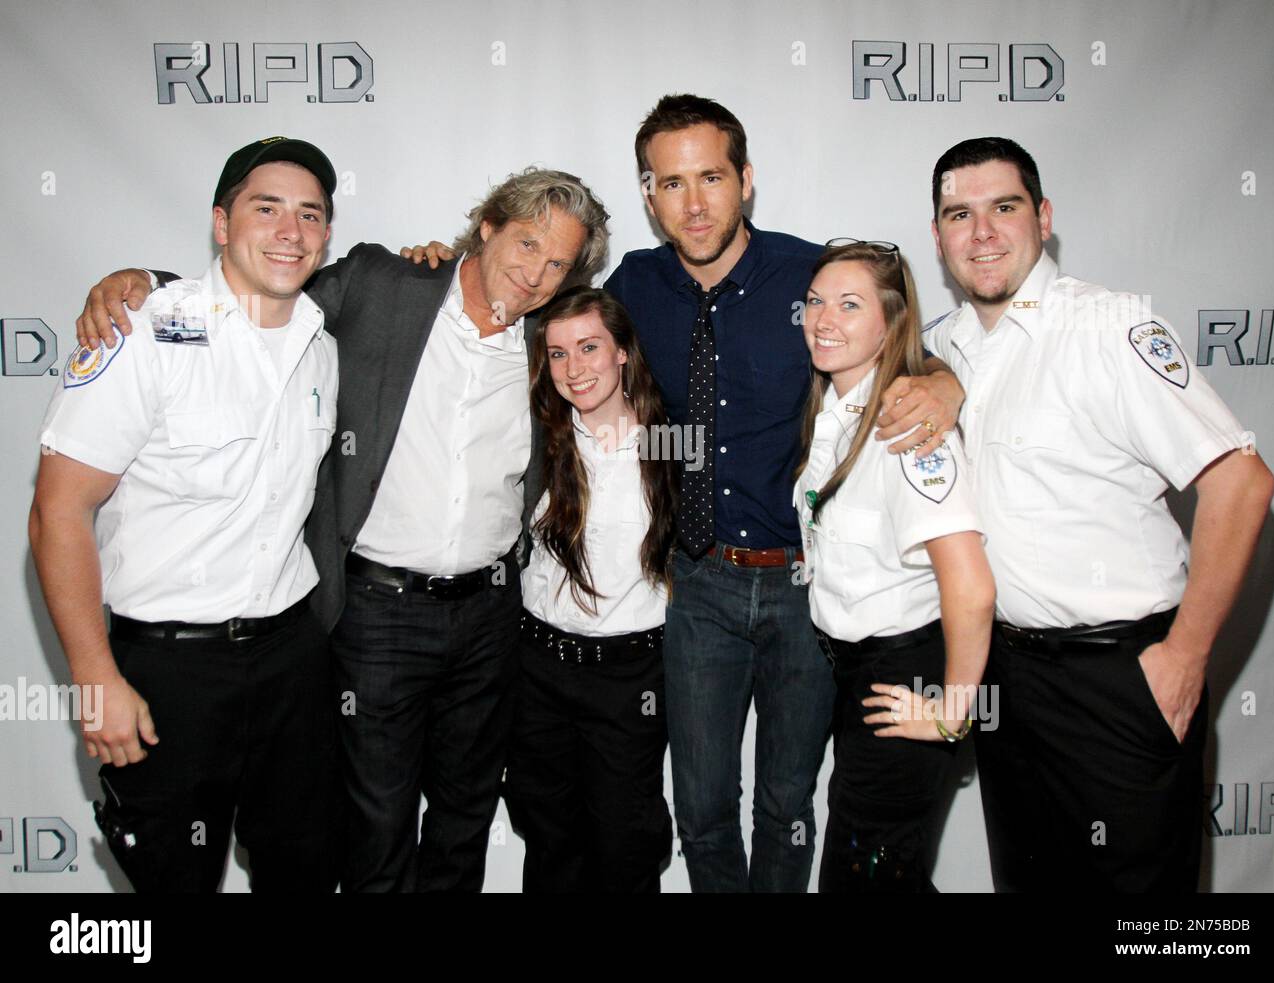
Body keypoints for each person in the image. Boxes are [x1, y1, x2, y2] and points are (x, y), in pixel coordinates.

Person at [74, 168, 611, 893]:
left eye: (557, 263)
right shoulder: (385, 285)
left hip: (490, 617)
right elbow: (254, 299)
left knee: (464, 815)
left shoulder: (553, 342)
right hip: (378, 612)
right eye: (525, 244)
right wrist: (142, 281)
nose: (535, 272)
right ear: (486, 228)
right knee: (375, 823)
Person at [603, 95, 966, 892]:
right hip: (697, 582)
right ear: (647, 193)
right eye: (671, 183)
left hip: (808, 586)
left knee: (786, 801)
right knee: (699, 805)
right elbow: (557, 344)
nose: (693, 203)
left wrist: (944, 385)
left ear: (747, 180)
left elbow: (908, 341)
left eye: (710, 177)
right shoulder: (633, 282)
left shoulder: (811, 274)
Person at [924, 137, 1274, 892]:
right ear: (938, 235)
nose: (981, 231)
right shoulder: (943, 348)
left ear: (1044, 217)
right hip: (1007, 684)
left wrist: (1183, 659)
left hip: (1117, 678)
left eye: (1004, 207)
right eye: (960, 213)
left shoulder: (1110, 329)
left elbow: (1241, 484)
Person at [30, 136, 341, 892]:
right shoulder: (139, 329)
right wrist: (93, 675)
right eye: (266, 208)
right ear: (220, 222)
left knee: (303, 868)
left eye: (310, 214)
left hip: (293, 656)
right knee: (171, 876)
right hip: (169, 668)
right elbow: (57, 513)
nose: (290, 231)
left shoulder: (322, 344)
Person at [794, 240, 995, 892]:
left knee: (864, 876)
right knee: (885, 872)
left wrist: (953, 710)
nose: (825, 319)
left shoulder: (908, 432)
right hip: (849, 672)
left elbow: (970, 586)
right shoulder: (831, 409)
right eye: (817, 301)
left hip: (902, 670)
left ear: (892, 321)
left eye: (850, 305)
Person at [507, 286, 676, 892]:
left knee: (626, 844)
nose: (574, 369)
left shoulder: (673, 445)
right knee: (548, 837)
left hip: (630, 677)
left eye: (588, 348)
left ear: (623, 351)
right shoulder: (538, 438)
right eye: (556, 354)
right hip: (539, 668)